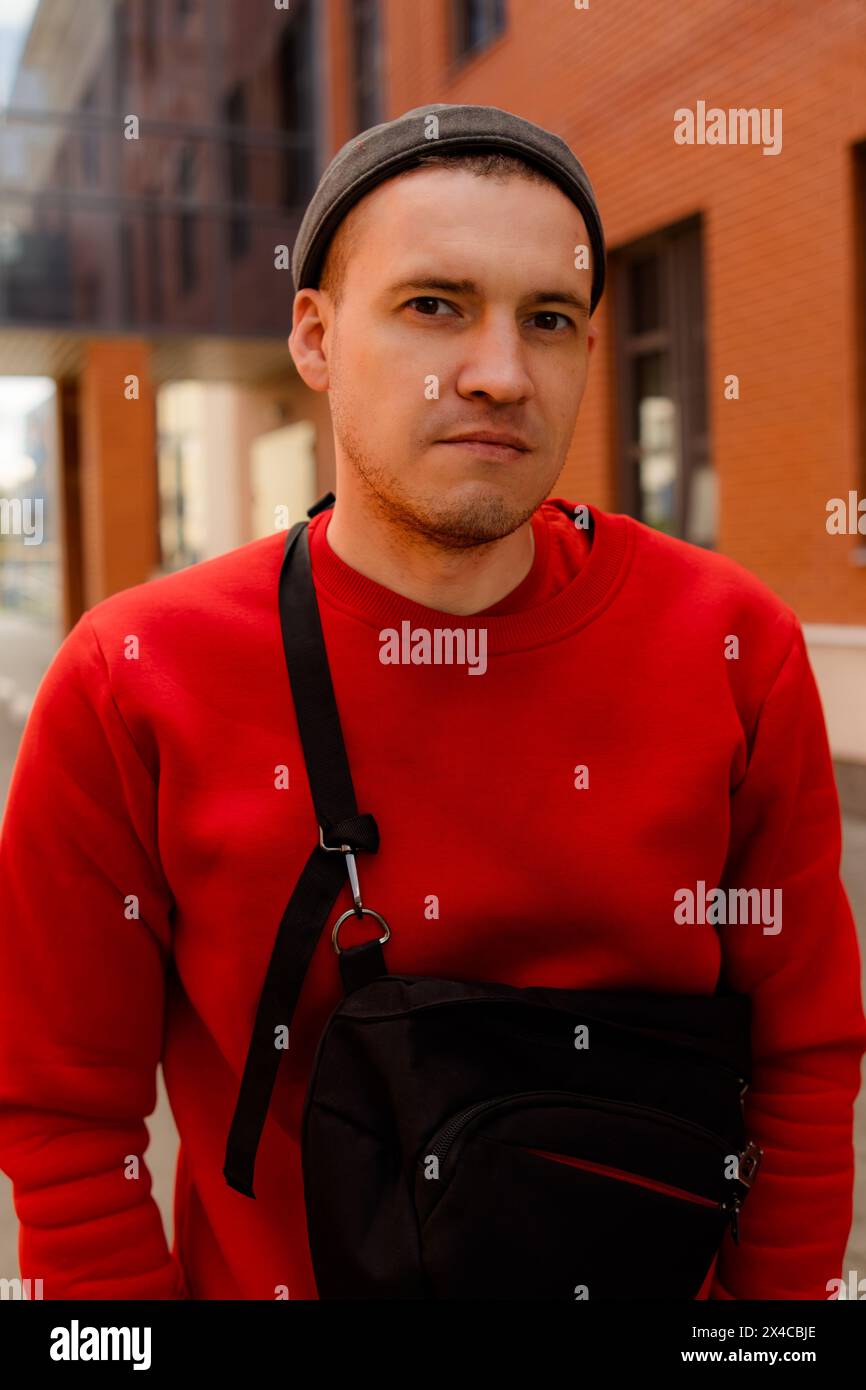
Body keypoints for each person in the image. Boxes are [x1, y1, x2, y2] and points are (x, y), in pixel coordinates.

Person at [0, 103, 864, 1301]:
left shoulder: (729, 646)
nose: (500, 373)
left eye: (549, 321)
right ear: (312, 334)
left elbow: (803, 1062)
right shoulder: (132, 679)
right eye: (433, 305)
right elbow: (64, 1119)